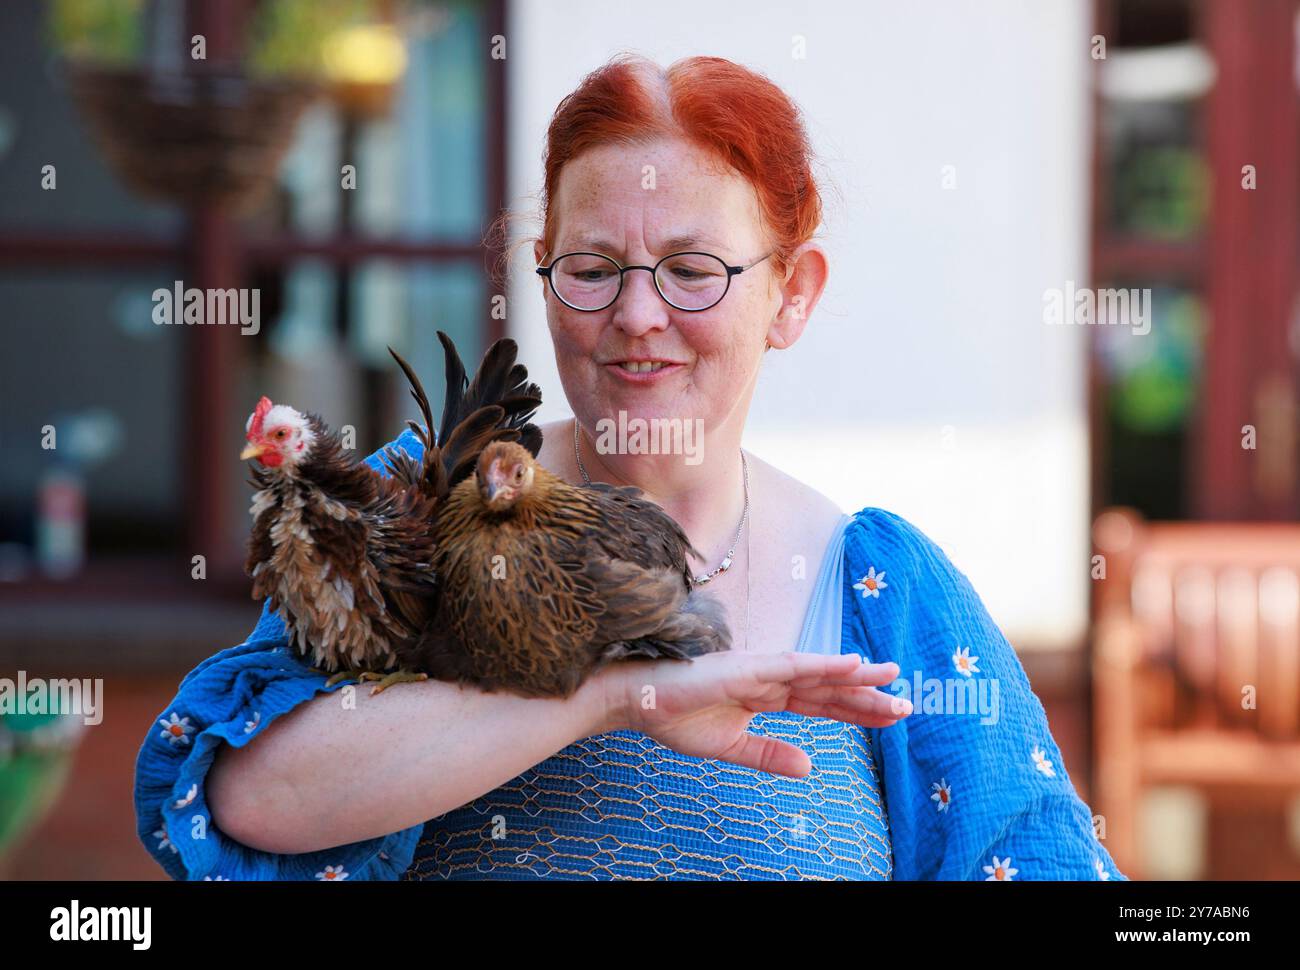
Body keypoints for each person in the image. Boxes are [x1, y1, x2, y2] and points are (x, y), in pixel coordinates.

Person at [135, 52, 1124, 881]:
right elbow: (251, 797)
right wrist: (609, 693)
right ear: (543, 271)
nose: (638, 316)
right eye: (594, 267)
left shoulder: (879, 591)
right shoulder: (419, 505)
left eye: (693, 270)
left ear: (792, 294)